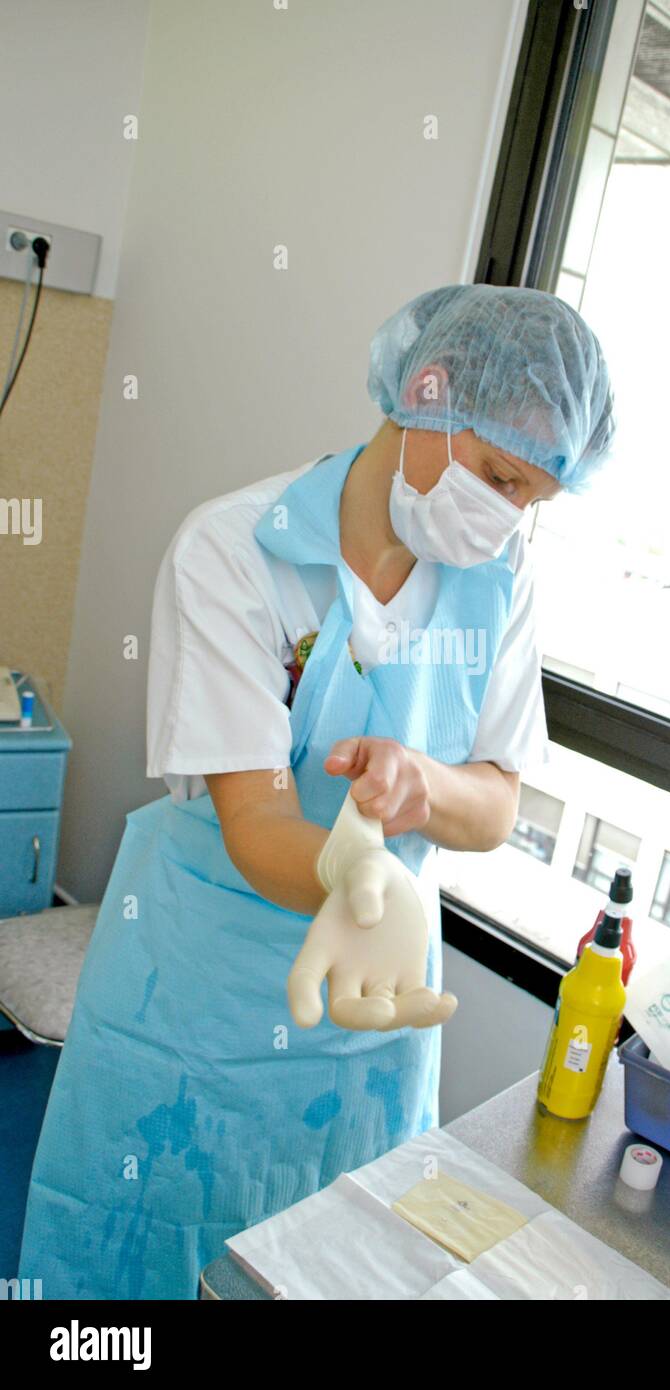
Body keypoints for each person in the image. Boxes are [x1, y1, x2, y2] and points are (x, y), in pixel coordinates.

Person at [17, 282, 615, 1299]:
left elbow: (499, 802)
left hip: (364, 1035)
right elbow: (254, 823)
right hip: (195, 998)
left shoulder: (498, 587)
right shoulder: (235, 549)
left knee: (329, 1264)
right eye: (501, 477)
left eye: (533, 501)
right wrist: (361, 877)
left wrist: (420, 781)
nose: (509, 519)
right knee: (140, 1259)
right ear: (423, 400)